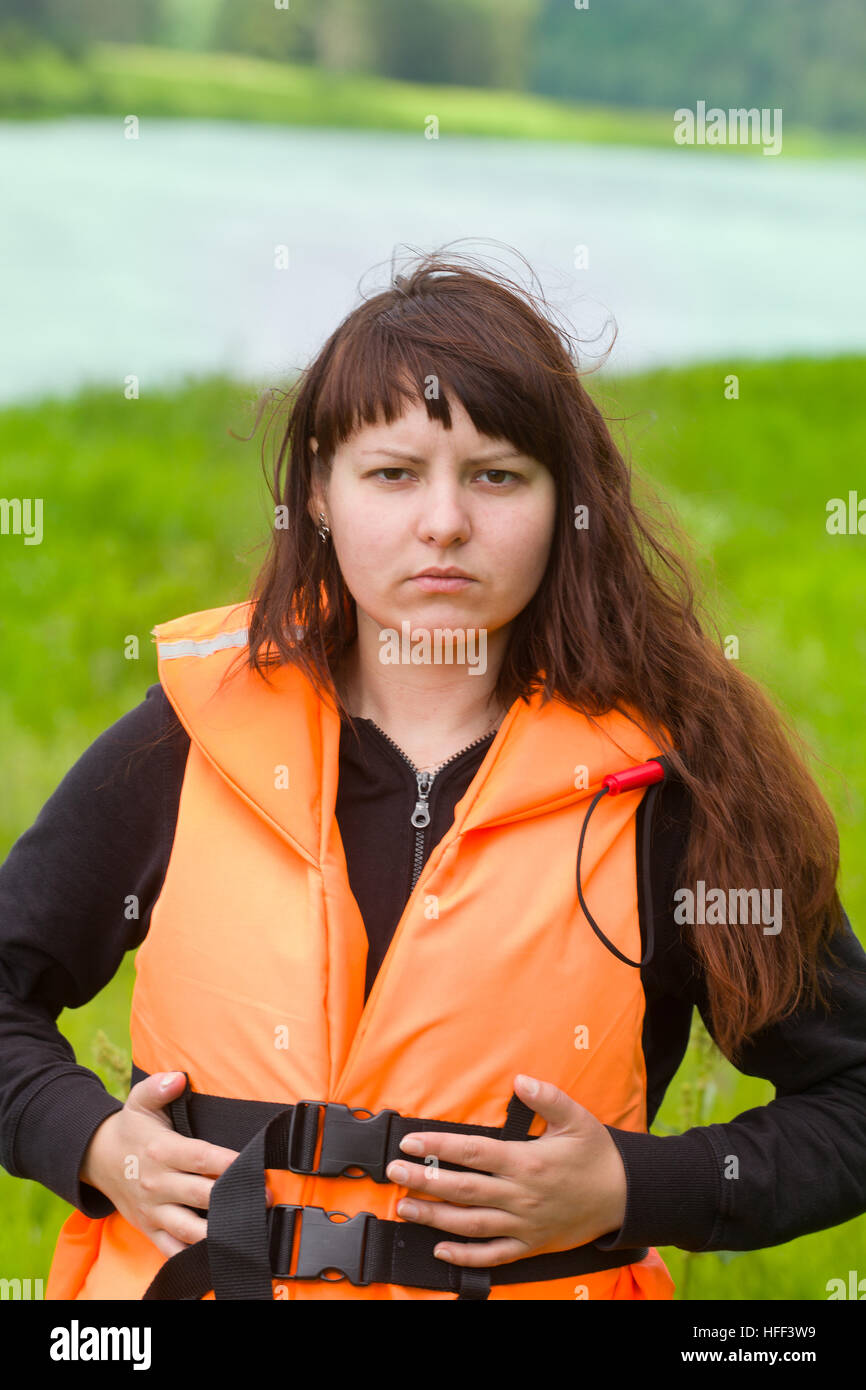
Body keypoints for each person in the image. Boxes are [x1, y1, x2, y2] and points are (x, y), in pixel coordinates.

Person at [2, 248, 865, 1302]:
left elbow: (851, 1095)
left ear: (565, 502)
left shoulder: (663, 791)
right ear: (318, 495)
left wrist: (636, 1186)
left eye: (496, 474)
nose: (444, 522)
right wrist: (87, 1140)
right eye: (393, 473)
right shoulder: (184, 740)